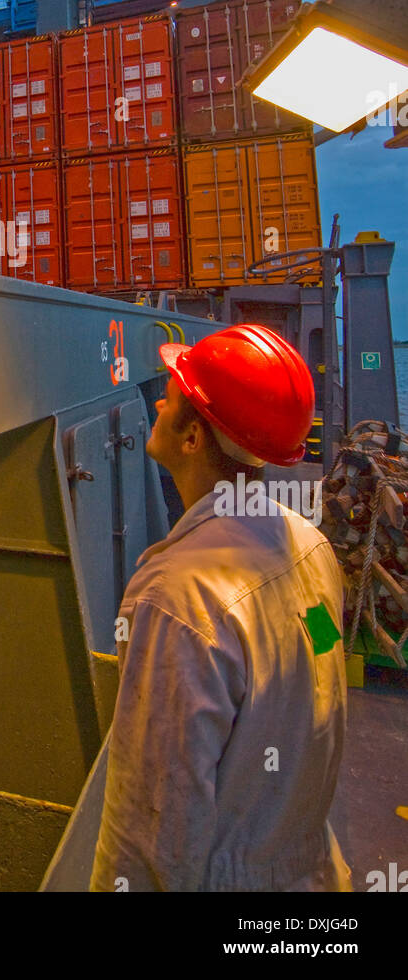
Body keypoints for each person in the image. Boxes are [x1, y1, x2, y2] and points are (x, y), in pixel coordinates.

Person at [89, 323, 352, 893]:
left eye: (173, 398)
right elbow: (320, 671)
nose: (157, 401)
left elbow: (148, 837)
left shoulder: (177, 601)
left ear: (192, 440)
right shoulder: (311, 548)